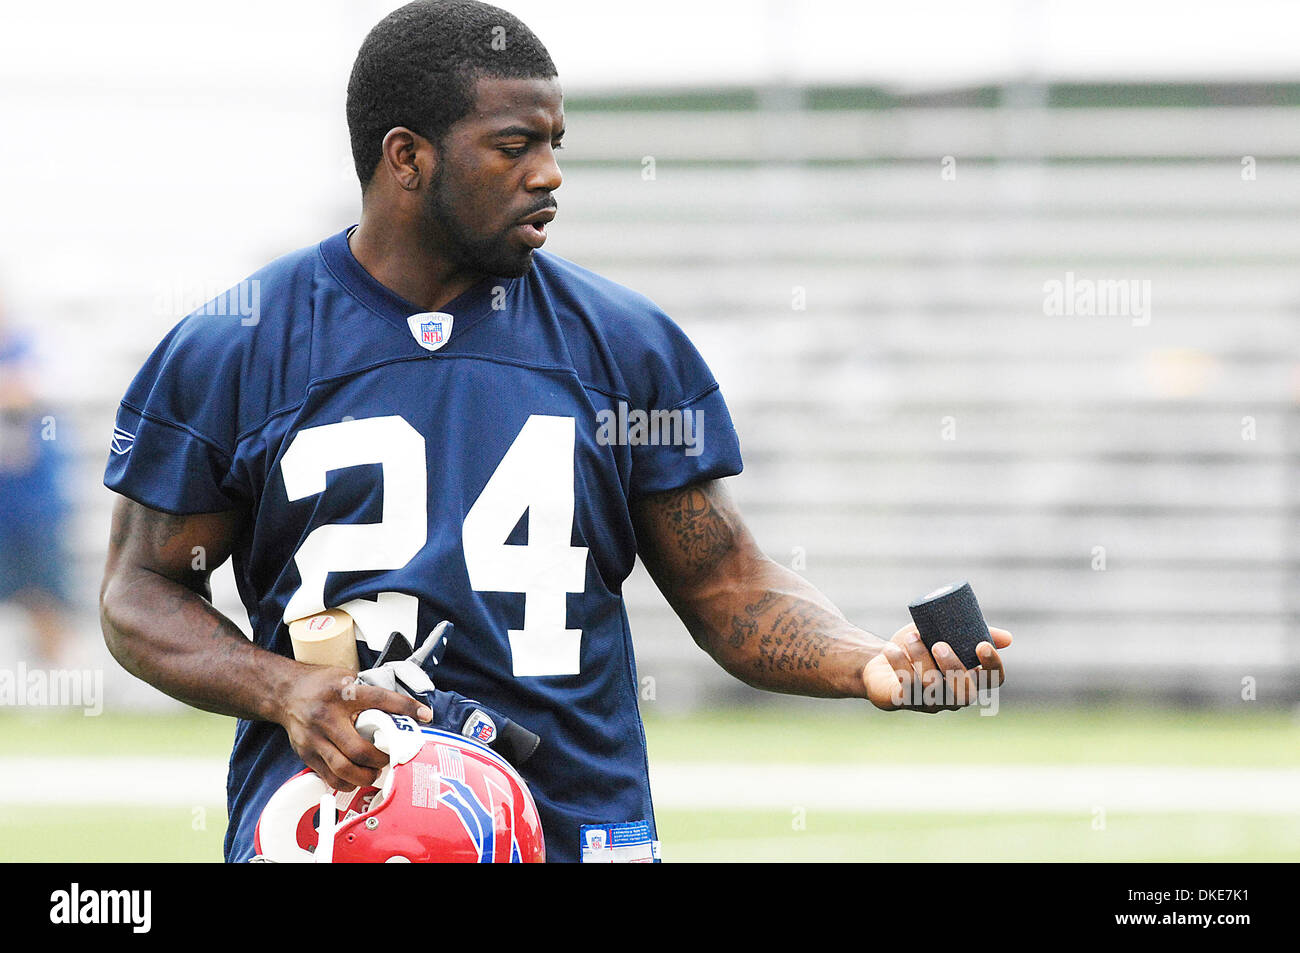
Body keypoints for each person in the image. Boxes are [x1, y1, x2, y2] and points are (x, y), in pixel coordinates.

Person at [99, 0, 1011, 863]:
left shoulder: (624, 346)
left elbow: (726, 582)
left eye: (554, 143)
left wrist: (865, 663)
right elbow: (139, 593)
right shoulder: (237, 347)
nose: (550, 173)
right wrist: (286, 688)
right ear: (407, 158)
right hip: (340, 820)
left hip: (580, 824)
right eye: (514, 145)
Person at [1, 300, 72, 667]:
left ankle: (59, 681)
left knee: (45, 597)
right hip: (7, 504)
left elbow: (23, 393)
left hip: (33, 506)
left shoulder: (28, 347)